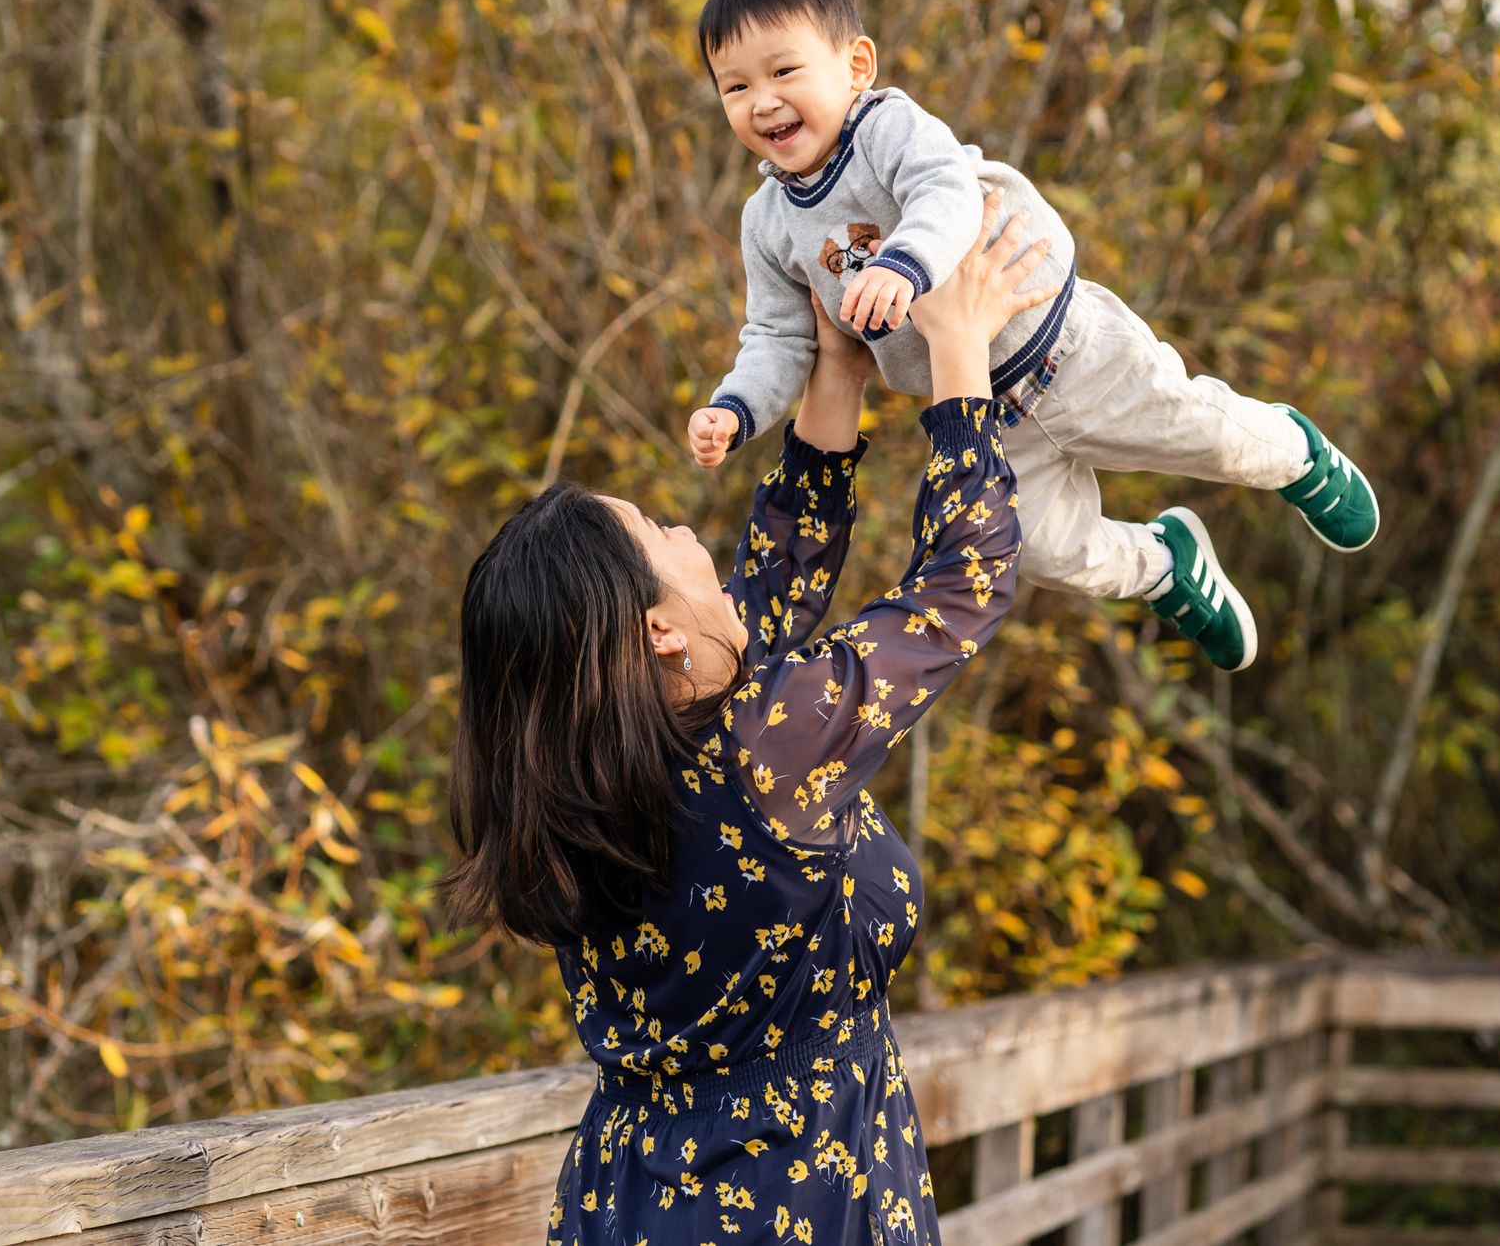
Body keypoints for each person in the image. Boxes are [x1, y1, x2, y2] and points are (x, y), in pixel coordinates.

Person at [449, 195, 1051, 1246]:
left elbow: (756, 604)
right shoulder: (761, 747)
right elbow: (961, 583)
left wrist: (835, 379)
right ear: (655, 636)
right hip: (796, 1207)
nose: (689, 530)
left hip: (628, 1204)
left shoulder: (583, 777)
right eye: (660, 530)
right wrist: (959, 353)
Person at [686, 0, 1381, 672]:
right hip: (984, 404)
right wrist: (735, 409)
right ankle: (1164, 564)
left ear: (856, 65)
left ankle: (1296, 453)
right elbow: (777, 334)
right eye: (734, 87)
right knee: (1042, 549)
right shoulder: (766, 221)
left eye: (783, 71)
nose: (761, 101)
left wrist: (904, 264)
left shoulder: (888, 128)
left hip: (1067, 347)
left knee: (1210, 436)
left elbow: (946, 193)